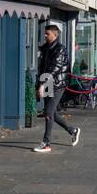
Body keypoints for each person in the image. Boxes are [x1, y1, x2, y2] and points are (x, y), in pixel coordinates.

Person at [36, 23, 81, 153]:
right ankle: (72, 130)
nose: (45, 36)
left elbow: (54, 68)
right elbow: (42, 68)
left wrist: (43, 85)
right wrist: (40, 84)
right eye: (45, 33)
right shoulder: (45, 48)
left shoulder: (60, 49)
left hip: (57, 84)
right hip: (47, 82)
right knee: (50, 112)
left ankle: (46, 143)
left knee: (48, 113)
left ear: (55, 35)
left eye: (47, 34)